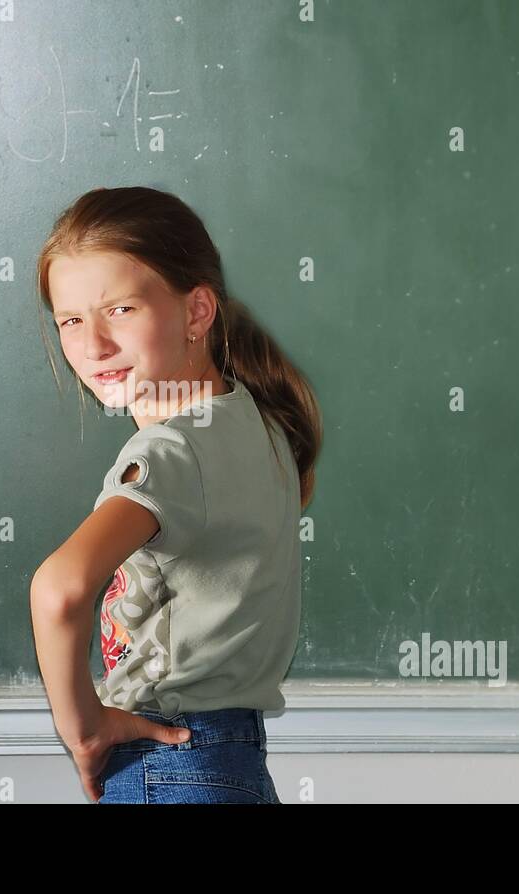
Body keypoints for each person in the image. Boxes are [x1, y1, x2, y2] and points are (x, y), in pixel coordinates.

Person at [28, 186, 322, 804]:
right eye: (71, 320)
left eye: (122, 310)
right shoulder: (255, 421)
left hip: (168, 761)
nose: (93, 345)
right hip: (229, 762)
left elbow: (60, 588)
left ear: (197, 312)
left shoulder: (168, 453)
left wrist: (82, 729)